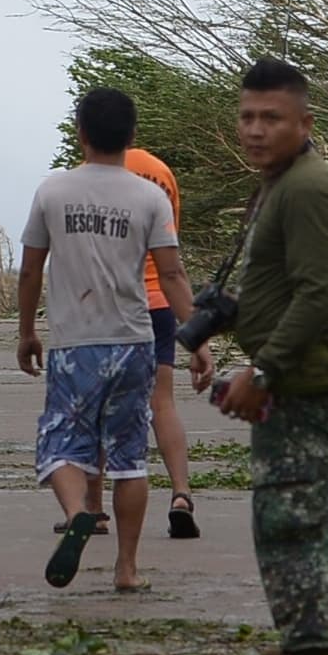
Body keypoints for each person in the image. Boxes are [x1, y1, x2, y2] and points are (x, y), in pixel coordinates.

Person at [208, 57, 328, 655]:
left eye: (270, 118)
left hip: (306, 379)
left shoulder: (305, 187)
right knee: (316, 522)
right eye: (246, 116)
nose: (254, 129)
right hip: (307, 373)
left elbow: (318, 296)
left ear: (305, 122)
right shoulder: (281, 182)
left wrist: (262, 370)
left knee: (289, 527)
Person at [18, 88, 191, 593]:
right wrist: (198, 339)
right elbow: (173, 275)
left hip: (75, 343)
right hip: (134, 341)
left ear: (81, 133)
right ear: (132, 136)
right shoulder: (150, 197)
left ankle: (78, 512)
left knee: (59, 444)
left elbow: (31, 269)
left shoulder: (53, 192)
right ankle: (127, 569)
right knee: (129, 458)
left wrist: (28, 331)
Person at [123, 142, 203, 540]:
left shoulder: (91, 173)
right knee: (162, 401)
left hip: (110, 303)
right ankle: (181, 494)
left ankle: (92, 509)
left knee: (103, 402)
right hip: (159, 300)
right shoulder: (161, 174)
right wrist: (197, 334)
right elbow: (171, 254)